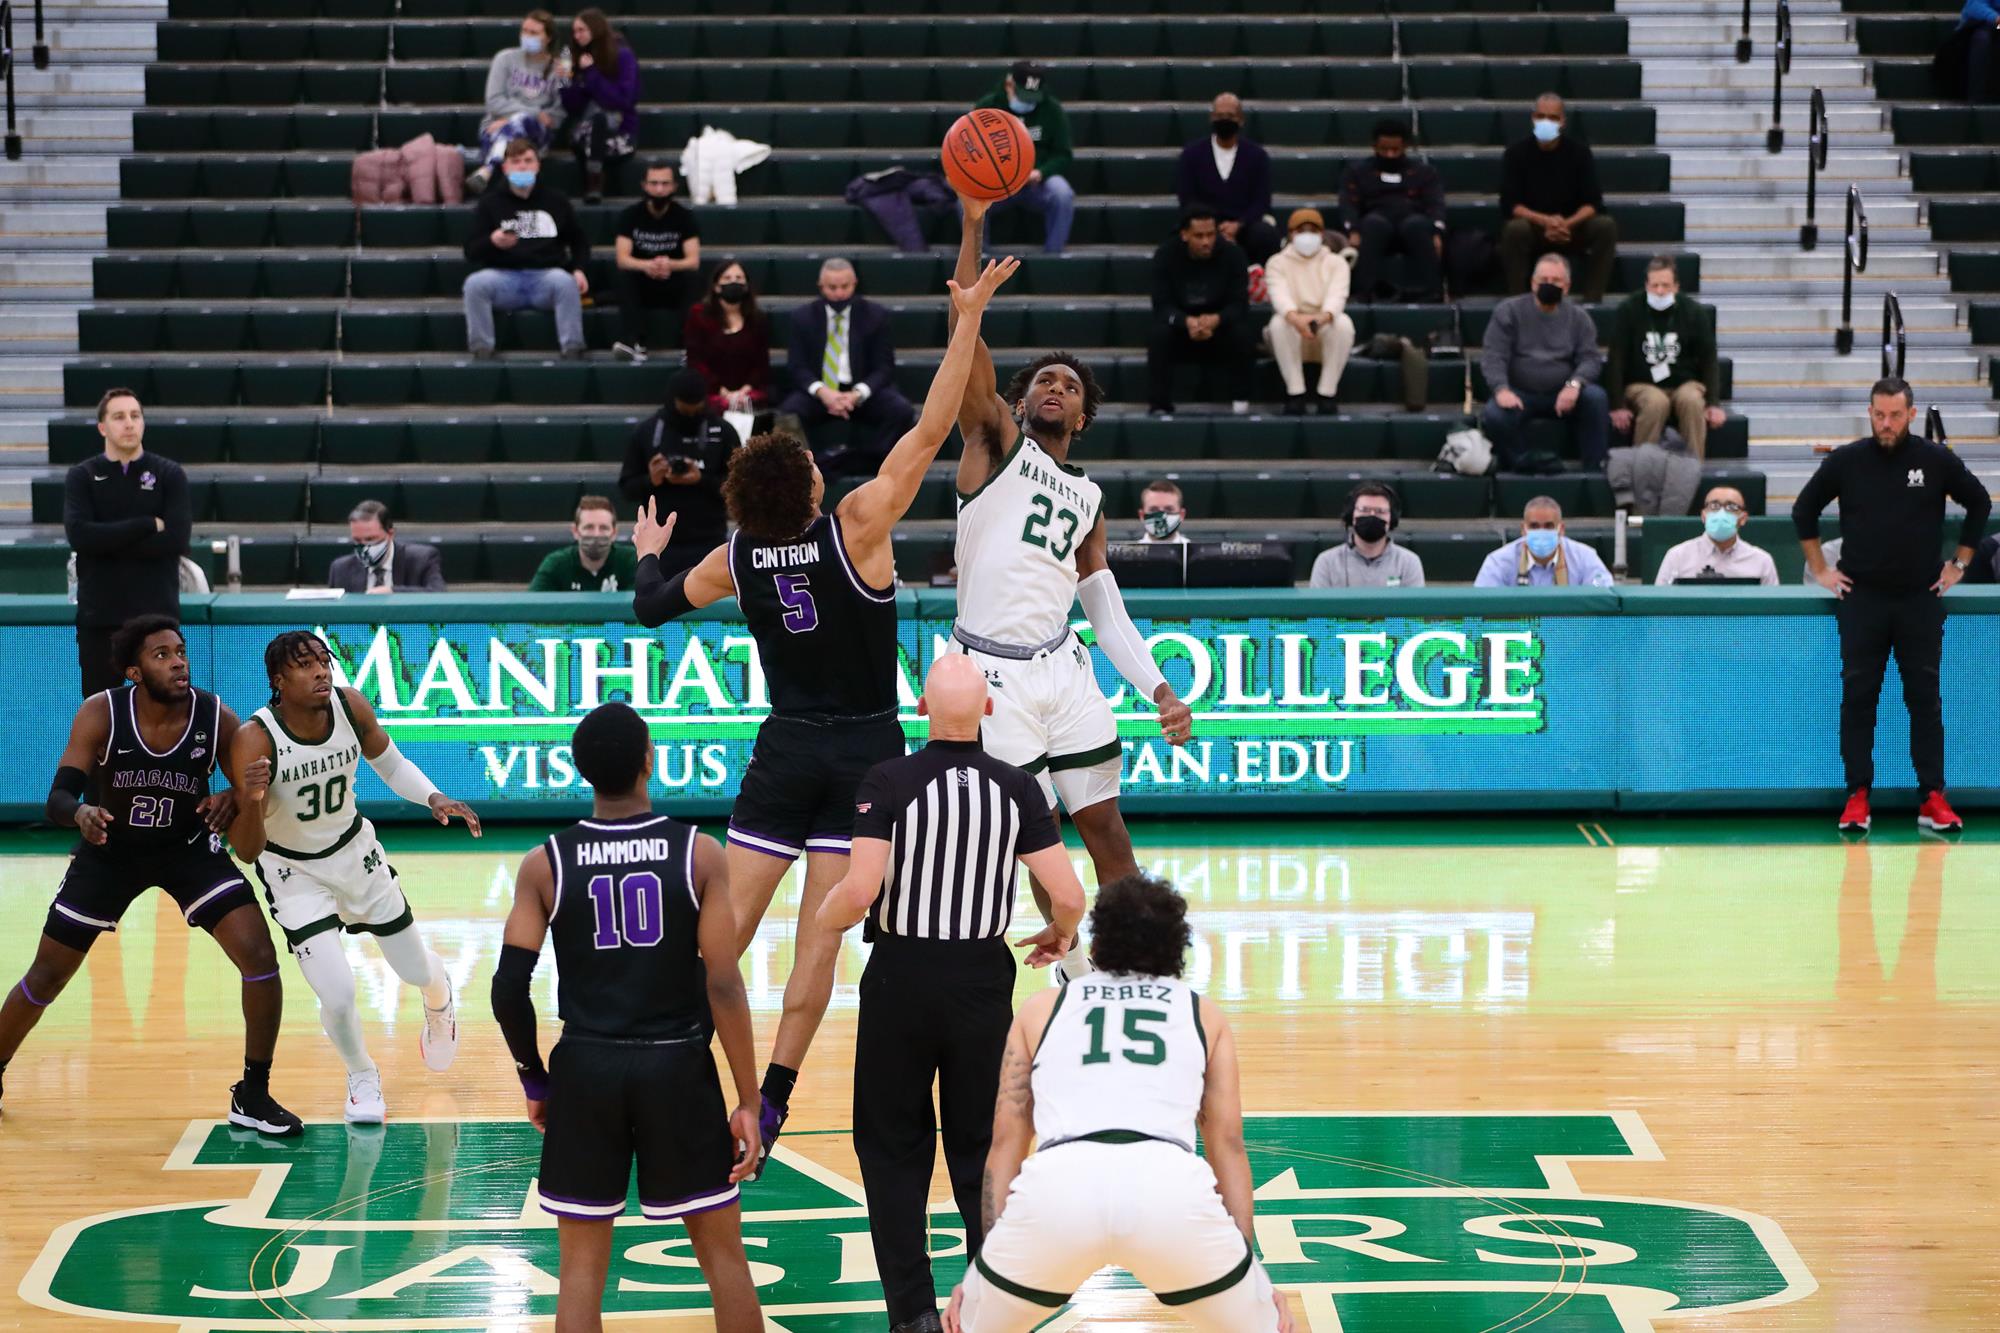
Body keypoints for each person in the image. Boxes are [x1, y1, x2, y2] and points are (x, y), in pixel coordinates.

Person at [630, 253, 1019, 1178]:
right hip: (865, 757)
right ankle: (770, 1097)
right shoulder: (856, 525)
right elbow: (930, 427)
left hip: (784, 750)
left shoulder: (734, 556)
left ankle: (675, 1071)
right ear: (807, 486)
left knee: (721, 934)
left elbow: (650, 605)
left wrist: (648, 552)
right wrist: (967, 319)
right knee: (820, 938)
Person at [950, 196, 1196, 982]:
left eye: (1069, 384)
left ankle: (1139, 963)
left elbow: (1103, 606)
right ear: (1021, 404)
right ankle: (1069, 957)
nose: (1054, 387)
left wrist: (1158, 687)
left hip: (1064, 669)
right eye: (1043, 381)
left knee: (1106, 829)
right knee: (1032, 835)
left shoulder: (1089, 497)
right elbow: (968, 350)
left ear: (1084, 416)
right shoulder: (994, 444)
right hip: (990, 674)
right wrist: (970, 240)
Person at [817, 656, 1087, 1333]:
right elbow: (1071, 894)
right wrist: (1060, 933)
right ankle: (987, 1306)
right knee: (983, 1148)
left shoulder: (889, 780)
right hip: (980, 984)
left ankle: (911, 1312)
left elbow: (858, 892)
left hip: (900, 979)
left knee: (890, 1150)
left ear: (922, 712)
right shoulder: (1018, 787)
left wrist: (820, 923)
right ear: (988, 712)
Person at [491, 702, 764, 1333]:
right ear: (649, 761)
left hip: (587, 1068)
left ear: (581, 771)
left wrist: (536, 1079)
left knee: (581, 1276)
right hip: (677, 1066)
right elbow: (723, 983)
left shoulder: (545, 864)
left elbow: (508, 990)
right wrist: (748, 1098)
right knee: (725, 1260)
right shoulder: (700, 853)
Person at [943, 874, 1292, 1333]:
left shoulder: (1041, 1009)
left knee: (964, 1324)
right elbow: (1226, 1144)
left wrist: (984, 1273)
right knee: (1272, 1325)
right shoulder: (1203, 1013)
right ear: (1178, 945)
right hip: (1166, 1191)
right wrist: (1249, 1276)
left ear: (1100, 940)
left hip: (1059, 1192)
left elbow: (1006, 1142)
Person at [0, 616, 300, 1136]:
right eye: (162, 655)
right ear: (135, 671)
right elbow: (58, 797)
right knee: (48, 974)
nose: (178, 661)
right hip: (110, 852)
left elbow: (253, 782)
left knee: (258, 952)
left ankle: (253, 1091)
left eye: (180, 651)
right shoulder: (103, 711)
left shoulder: (214, 715)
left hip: (187, 849)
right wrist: (80, 815)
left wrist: (231, 795)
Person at [227, 632, 478, 1123]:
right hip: (293, 869)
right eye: (306, 665)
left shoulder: (350, 706)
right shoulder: (255, 738)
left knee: (413, 970)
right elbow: (247, 849)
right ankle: (362, 1074)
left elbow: (391, 763)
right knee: (338, 993)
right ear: (278, 681)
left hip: (354, 853)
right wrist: (252, 800)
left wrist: (433, 797)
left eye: (325, 661)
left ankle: (439, 994)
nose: (322, 671)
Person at [1791, 376, 1991, 834]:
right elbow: (1803, 511)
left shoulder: (1935, 460)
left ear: (1911, 414)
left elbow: (1979, 503)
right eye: (1878, 415)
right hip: (1862, 598)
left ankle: (1933, 798)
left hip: (1921, 597)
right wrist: (1821, 569)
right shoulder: (1846, 461)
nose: (1886, 423)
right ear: (1869, 413)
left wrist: (1959, 563)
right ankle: (1858, 795)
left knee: (1924, 699)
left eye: (1895, 415)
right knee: (1859, 697)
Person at [65, 387, 191, 697]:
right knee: (101, 712)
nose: (129, 423)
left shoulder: (169, 474)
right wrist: (147, 524)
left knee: (164, 708)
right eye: (119, 416)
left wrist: (106, 541)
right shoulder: (82, 476)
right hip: (100, 620)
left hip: (156, 618)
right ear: (102, 427)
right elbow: (80, 536)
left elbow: (176, 539)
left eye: (135, 416)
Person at [777, 258, 919, 464]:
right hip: (821, 392)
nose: (839, 293)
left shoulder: (876, 316)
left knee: (901, 411)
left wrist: (857, 394)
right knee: (788, 414)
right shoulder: (802, 317)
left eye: (845, 286)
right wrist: (823, 392)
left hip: (861, 392)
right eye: (832, 287)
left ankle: (875, 464)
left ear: (854, 283)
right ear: (821, 286)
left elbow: (884, 367)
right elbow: (797, 366)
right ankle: (804, 469)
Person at [1478, 254, 1611, 471]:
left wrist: (1574, 384)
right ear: (1533, 283)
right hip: (1519, 393)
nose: (1549, 285)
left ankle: (1594, 469)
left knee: (1596, 398)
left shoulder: (1579, 318)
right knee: (1494, 415)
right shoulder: (1508, 311)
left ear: (1567, 287)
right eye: (1543, 280)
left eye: (1556, 281)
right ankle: (1524, 463)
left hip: (1563, 392)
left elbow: (1590, 358)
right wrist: (1501, 389)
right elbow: (1494, 356)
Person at [462, 138, 589, 361]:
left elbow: (579, 240)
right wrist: (492, 241)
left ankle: (573, 348)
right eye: (516, 161)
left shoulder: (556, 201)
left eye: (528, 161)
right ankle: (482, 349)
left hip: (546, 277)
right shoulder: (490, 203)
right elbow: (470, 251)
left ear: (538, 165)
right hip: (503, 278)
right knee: (474, 284)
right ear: (505, 168)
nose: (522, 166)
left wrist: (579, 269)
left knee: (566, 282)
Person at [618, 368, 740, 578]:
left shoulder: (724, 432)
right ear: (672, 401)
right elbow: (626, 489)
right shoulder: (646, 432)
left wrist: (702, 479)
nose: (691, 415)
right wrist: (651, 480)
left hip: (710, 539)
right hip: (661, 545)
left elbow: (740, 489)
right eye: (685, 411)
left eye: (696, 410)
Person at [1499, 93, 1618, 302]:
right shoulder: (1515, 153)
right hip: (1534, 228)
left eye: (1553, 118)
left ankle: (1592, 300)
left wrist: (1566, 224)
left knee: (1605, 226)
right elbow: (1511, 205)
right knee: (1514, 230)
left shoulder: (1579, 153)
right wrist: (1545, 222)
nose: (1546, 122)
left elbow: (1593, 203)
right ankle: (1518, 302)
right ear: (1533, 118)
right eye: (1541, 116)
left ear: (1563, 121)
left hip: (1571, 228)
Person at [1608, 256, 1726, 459]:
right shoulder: (1629, 310)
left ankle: (1693, 468)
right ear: (1646, 285)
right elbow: (1616, 359)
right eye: (1654, 285)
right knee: (1656, 402)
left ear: (1677, 287)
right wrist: (1617, 404)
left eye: (1666, 285)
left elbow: (1709, 359)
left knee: (1692, 401)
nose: (1660, 291)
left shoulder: (1694, 312)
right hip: (1642, 384)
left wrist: (1713, 403)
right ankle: (1643, 467)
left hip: (1685, 383)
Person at [1148, 205, 1253, 416]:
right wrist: (1186, 322)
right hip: (1182, 328)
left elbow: (1240, 304)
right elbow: (1161, 304)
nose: (1206, 241)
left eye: (1210, 234)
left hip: (1220, 328)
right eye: (1199, 236)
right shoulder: (1166, 255)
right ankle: (1160, 403)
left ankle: (1242, 401)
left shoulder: (1234, 254)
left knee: (1242, 333)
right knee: (1159, 335)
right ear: (1185, 234)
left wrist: (1216, 319)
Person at [973, 61, 1077, 255]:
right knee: (967, 198)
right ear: (1009, 85)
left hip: (1036, 180)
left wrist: (1042, 172)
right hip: (996, 182)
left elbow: (1063, 154)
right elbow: (971, 149)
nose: (1028, 102)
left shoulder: (1052, 109)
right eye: (1023, 96)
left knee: (1062, 193)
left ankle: (1053, 256)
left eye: (1032, 97)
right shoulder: (988, 106)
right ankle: (979, 258)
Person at [1262, 207, 1355, 415]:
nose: (1307, 235)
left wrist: (1320, 319)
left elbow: (1337, 296)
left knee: (1343, 323)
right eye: (1300, 230)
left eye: (1312, 230)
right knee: (1278, 322)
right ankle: (1295, 393)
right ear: (1290, 234)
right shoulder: (1277, 263)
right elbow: (1280, 296)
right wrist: (1297, 319)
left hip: (1322, 326)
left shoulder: (1336, 263)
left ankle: (1327, 394)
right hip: (1293, 328)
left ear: (1321, 234)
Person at [1343, 118, 1446, 304]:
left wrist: (1437, 232)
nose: (1390, 155)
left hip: (1412, 222)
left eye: (1395, 150)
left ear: (1405, 146)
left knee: (1417, 226)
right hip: (1376, 223)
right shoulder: (1357, 172)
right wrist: (1354, 230)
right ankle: (1365, 292)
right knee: (1373, 225)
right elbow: (1349, 203)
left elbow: (1435, 203)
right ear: (1374, 146)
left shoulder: (1424, 172)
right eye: (1384, 150)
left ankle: (1432, 291)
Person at [1174, 93, 1281, 268]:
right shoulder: (1192, 154)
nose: (1225, 120)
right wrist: (1212, 227)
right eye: (1220, 116)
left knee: (1265, 235)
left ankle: (1259, 284)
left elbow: (1262, 200)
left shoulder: (1257, 155)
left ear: (1241, 120)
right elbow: (1187, 197)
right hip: (1204, 224)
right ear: (1211, 118)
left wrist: (1238, 225)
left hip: (1245, 225)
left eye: (1230, 116)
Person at [468, 9, 566, 194]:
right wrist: (531, 114)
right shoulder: (504, 59)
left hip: (535, 135)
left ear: (549, 38)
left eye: (534, 33)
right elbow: (494, 101)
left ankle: (488, 168)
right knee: (517, 124)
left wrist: (515, 118)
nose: (526, 36)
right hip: (495, 128)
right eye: (524, 31)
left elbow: (557, 114)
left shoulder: (558, 68)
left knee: (521, 121)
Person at [611, 162, 701, 363]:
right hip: (643, 282)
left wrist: (669, 265)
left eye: (665, 184)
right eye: (654, 183)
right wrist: (647, 266)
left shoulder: (685, 217)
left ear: (674, 187)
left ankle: (689, 345)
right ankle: (635, 343)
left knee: (693, 278)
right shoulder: (629, 216)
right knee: (624, 276)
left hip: (672, 281)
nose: (659, 189)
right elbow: (622, 258)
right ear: (644, 185)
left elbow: (693, 261)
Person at [557, 7, 640, 204]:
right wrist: (565, 82)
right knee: (594, 126)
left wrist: (592, 72)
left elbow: (621, 100)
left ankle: (594, 179)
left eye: (581, 30)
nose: (576, 36)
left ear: (595, 29)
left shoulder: (623, 56)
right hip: (585, 132)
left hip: (620, 132)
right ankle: (594, 178)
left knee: (601, 120)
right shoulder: (574, 57)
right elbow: (572, 106)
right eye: (574, 31)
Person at [683, 259, 774, 415]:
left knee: (762, 402)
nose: (734, 282)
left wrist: (745, 390)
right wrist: (722, 391)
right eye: (727, 278)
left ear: (746, 286)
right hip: (711, 390)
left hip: (747, 392)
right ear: (716, 286)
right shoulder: (699, 315)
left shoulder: (757, 319)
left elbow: (761, 363)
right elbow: (695, 360)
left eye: (739, 278)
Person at [1474, 495, 1614, 587]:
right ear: (1523, 529)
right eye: (1534, 526)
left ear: (1561, 529)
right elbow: (1482, 608)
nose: (1541, 531)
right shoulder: (1498, 562)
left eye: (1548, 526)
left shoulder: (1585, 558)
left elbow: (1604, 602)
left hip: (1572, 631)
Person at [1310, 482, 1426, 587]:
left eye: (1380, 511)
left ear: (1392, 519)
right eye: (1364, 510)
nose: (1372, 516)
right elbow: (1316, 608)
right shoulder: (1327, 562)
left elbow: (1415, 609)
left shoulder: (1409, 562)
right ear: (1352, 515)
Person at [1655, 486, 1778, 585]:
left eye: (1731, 507)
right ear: (1703, 516)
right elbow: (1658, 605)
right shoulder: (1678, 556)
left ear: (1743, 518)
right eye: (1714, 506)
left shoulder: (1761, 561)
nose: (1722, 513)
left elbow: (1774, 609)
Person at [327, 500, 446, 594]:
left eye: (370, 539)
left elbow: (438, 593)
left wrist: (392, 591)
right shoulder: (341, 569)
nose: (364, 547)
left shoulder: (421, 559)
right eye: (357, 540)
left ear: (390, 534)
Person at [529, 494, 639, 592]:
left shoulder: (632, 561)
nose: (596, 534)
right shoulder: (556, 564)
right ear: (575, 531)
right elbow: (532, 607)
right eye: (589, 527)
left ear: (614, 532)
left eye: (603, 528)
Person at [1957, 0, 1997, 103]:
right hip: (1982, 26)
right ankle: (1977, 96)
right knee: (1982, 38)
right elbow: (1974, 7)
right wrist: (1996, 19)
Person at [1137, 479, 1189, 544]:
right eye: (1154, 510)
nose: (1161, 515)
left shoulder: (1197, 552)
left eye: (1169, 509)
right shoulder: (1127, 553)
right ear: (1141, 515)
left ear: (1182, 515)